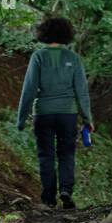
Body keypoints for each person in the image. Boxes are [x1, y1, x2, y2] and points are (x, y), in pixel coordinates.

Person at [16, 15, 94, 210]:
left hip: (43, 114)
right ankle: (66, 190)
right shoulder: (73, 59)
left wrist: (21, 118)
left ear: (44, 33)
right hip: (68, 114)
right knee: (67, 153)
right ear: (67, 35)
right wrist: (87, 118)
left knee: (46, 155)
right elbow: (81, 92)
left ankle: (49, 198)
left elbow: (29, 89)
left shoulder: (38, 57)